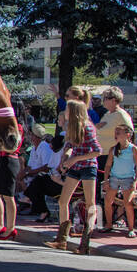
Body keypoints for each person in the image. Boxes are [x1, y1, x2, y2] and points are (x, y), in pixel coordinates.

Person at [47, 100, 102, 253]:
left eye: (67, 110)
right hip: (75, 167)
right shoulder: (72, 127)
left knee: (90, 203)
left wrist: (74, 159)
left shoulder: (88, 128)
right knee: (63, 201)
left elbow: (97, 150)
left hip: (88, 167)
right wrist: (66, 156)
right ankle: (62, 238)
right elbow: (71, 145)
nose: (65, 112)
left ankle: (85, 242)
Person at [0, 113, 26, 239]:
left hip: (10, 159)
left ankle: (11, 227)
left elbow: (12, 145)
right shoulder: (8, 127)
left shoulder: (17, 128)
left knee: (8, 196)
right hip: (4, 159)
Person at [102, 124, 137, 236]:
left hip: (128, 178)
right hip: (114, 177)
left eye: (119, 133)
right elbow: (108, 165)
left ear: (127, 135)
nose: (116, 135)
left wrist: (135, 182)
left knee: (128, 203)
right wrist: (106, 180)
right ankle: (109, 224)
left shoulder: (133, 149)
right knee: (107, 201)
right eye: (116, 133)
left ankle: (131, 229)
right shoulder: (113, 149)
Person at [96, 87, 135, 155]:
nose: (103, 101)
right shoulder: (107, 114)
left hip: (114, 155)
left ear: (113, 100)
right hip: (101, 153)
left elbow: (130, 135)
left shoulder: (121, 115)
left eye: (105, 98)